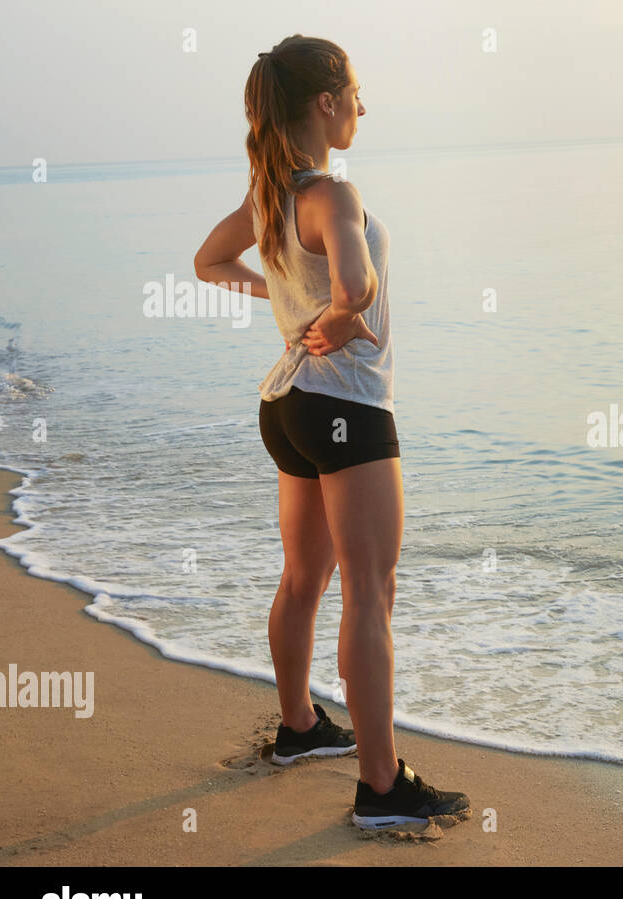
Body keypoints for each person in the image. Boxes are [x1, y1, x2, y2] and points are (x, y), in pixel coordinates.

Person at [193, 34, 468, 829]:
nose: (361, 106)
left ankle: (299, 730)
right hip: (346, 410)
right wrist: (341, 314)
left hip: (286, 408)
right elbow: (358, 282)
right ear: (324, 102)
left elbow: (208, 261)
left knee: (304, 581)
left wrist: (285, 304)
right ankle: (383, 788)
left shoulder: (269, 196)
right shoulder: (332, 196)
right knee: (370, 596)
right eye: (353, 93)